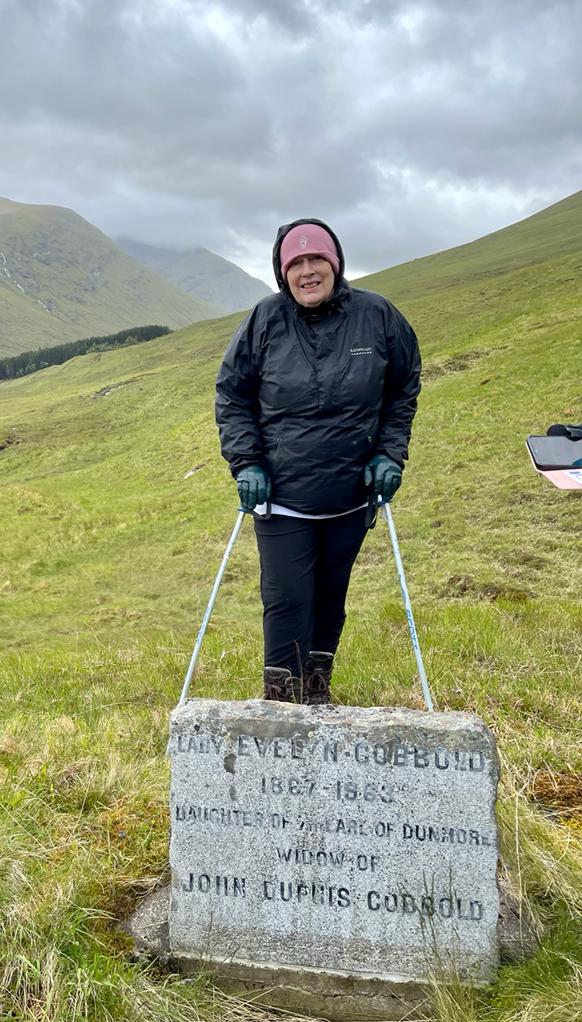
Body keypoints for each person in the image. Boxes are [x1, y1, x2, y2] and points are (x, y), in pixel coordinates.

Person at [215, 218, 421, 704]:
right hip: (281, 496)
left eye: (317, 260)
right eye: (296, 263)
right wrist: (247, 462)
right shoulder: (265, 321)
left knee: (330, 600)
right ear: (282, 272)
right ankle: (281, 706)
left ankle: (316, 695)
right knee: (287, 600)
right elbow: (232, 393)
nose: (308, 271)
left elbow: (402, 388)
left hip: (351, 495)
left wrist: (390, 453)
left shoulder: (378, 316)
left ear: (335, 263)